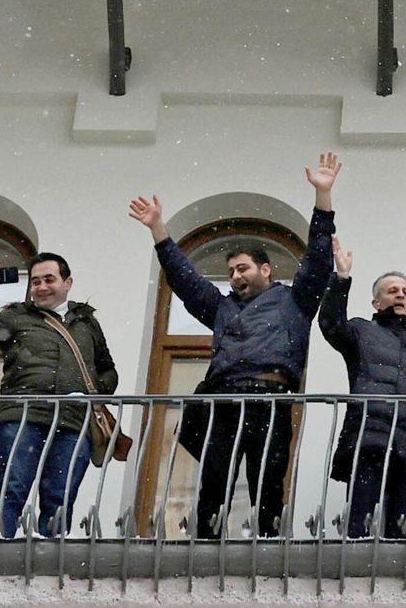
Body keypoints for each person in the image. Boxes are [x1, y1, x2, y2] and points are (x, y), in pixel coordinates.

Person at [127, 151, 341, 539]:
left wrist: (322, 198)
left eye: (242, 268)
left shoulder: (295, 301)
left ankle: (268, 544)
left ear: (266, 269)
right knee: (214, 481)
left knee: (268, 480)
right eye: (230, 271)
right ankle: (205, 544)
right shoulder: (222, 307)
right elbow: (185, 280)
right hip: (223, 400)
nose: (235, 276)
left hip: (271, 400)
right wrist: (158, 230)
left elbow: (318, 258)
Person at [0, 253, 117, 538]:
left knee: (60, 497)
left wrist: (90, 393)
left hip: (73, 421)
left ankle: (50, 558)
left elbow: (108, 370)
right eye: (36, 281)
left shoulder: (86, 322)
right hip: (22, 416)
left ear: (68, 282)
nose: (41, 287)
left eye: (49, 279)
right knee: (12, 489)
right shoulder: (17, 317)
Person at [319, 241, 406, 539]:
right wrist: (341, 279)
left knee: (400, 530)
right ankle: (355, 566)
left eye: (405, 292)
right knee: (360, 523)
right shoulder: (362, 332)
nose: (401, 295)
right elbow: (330, 323)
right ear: (376, 303)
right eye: (393, 290)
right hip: (370, 441)